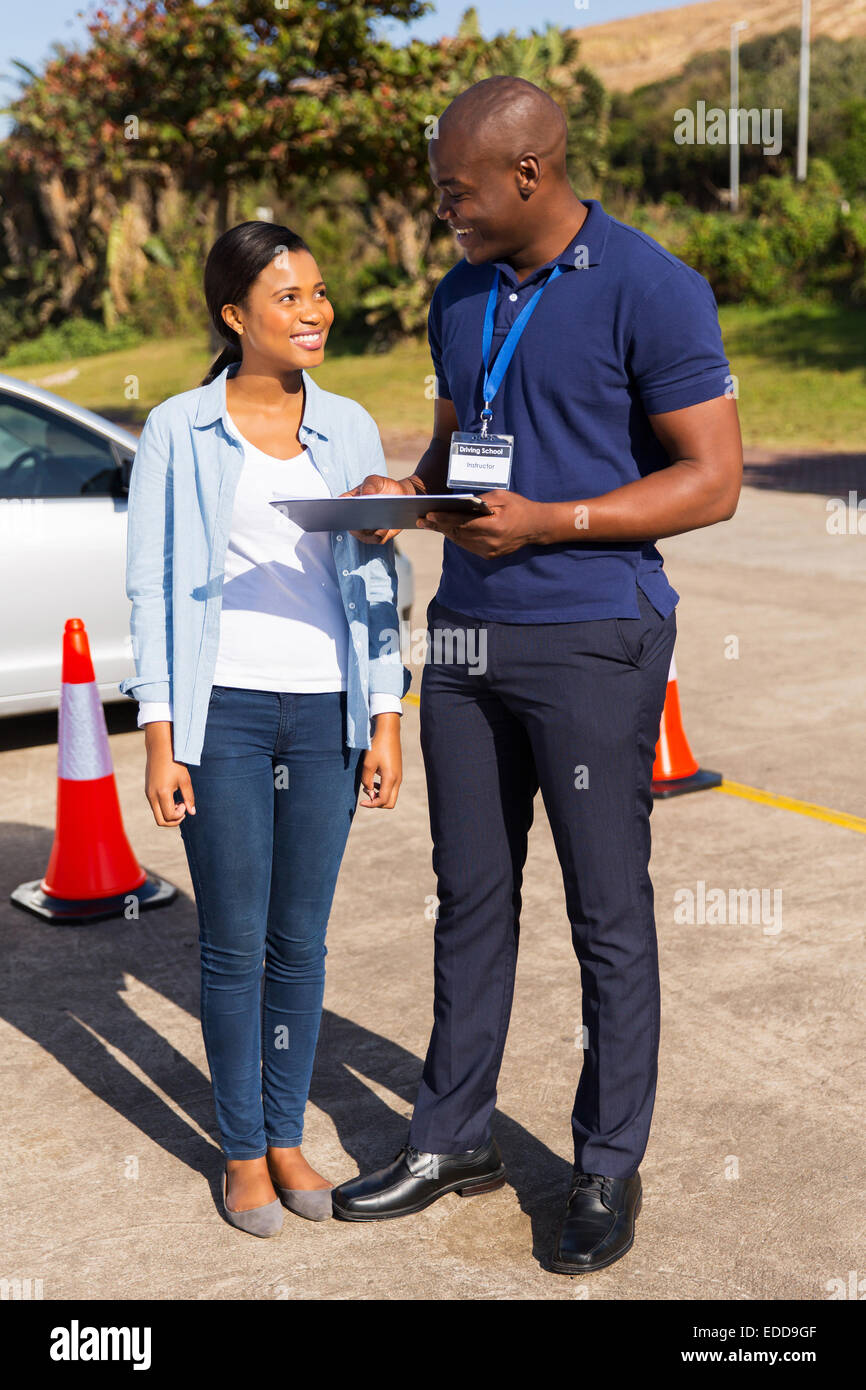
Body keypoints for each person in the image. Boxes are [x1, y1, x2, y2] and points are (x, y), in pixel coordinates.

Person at [331, 77, 742, 1274]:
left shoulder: (652, 287)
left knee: (604, 913)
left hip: (589, 635)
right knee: (467, 897)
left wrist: (552, 520)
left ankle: (605, 1165)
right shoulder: (456, 294)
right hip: (463, 636)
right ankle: (452, 1135)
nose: (442, 212)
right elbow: (461, 443)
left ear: (527, 174)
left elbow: (710, 479)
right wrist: (400, 500)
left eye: (456, 193)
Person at [120, 222, 409, 1237]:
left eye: (319, 292)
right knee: (235, 945)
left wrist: (386, 714)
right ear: (235, 316)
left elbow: (381, 580)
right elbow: (151, 588)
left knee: (301, 945)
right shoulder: (177, 430)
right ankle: (241, 1148)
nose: (315, 311)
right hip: (225, 715)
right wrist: (162, 737)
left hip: (326, 715)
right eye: (288, 297)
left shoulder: (352, 429)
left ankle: (288, 1135)